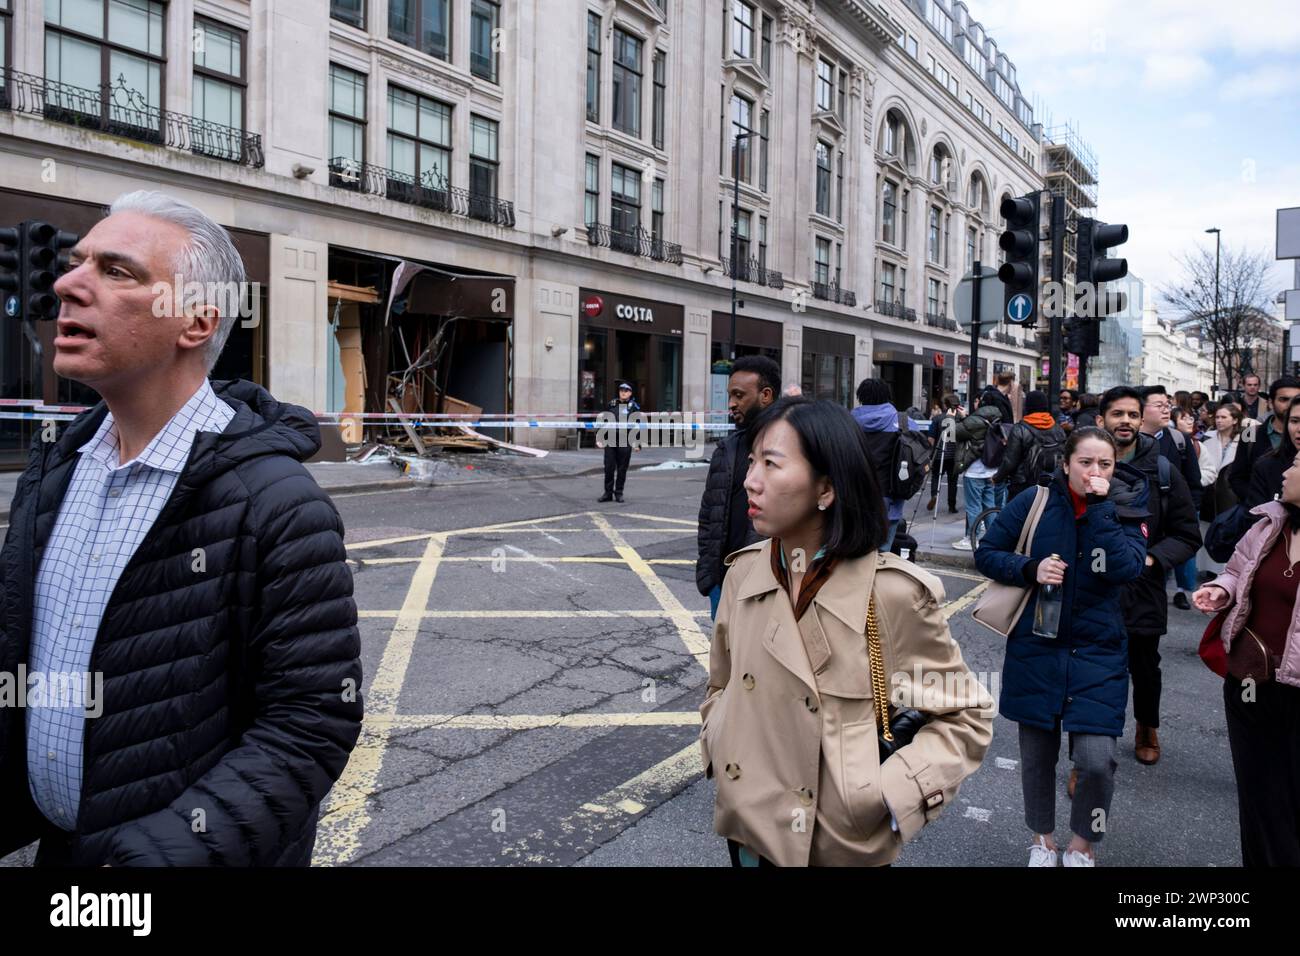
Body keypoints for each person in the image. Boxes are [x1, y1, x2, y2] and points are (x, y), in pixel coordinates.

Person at [0, 191, 363, 866]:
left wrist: (165, 855)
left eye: (116, 271)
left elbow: (310, 725)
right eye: (76, 263)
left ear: (195, 322)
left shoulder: (279, 504)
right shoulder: (53, 473)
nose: (66, 285)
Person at [701, 397, 994, 866]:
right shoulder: (744, 573)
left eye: (771, 464)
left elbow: (966, 717)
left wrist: (883, 796)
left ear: (826, 489)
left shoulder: (891, 594)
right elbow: (722, 681)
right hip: (745, 830)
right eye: (752, 461)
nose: (749, 481)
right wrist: (720, 737)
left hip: (837, 843)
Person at [976, 428, 1149, 866]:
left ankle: (1083, 845)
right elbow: (988, 552)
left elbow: (1124, 568)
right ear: (1067, 463)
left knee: (1097, 760)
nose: (1095, 472)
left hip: (1098, 651)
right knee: (1036, 757)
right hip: (1036, 645)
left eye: (1104, 464)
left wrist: (1101, 508)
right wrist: (1030, 568)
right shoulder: (1033, 500)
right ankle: (1042, 840)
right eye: (1086, 463)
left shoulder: (1123, 507)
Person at [1192, 449, 1300, 866]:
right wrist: (1222, 589)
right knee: (1259, 800)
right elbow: (1238, 569)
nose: (1287, 470)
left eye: (1296, 465)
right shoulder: (1269, 522)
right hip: (1251, 681)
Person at [1100, 386, 1201, 766]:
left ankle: (1146, 726)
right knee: (1095, 668)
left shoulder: (1162, 470)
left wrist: (1152, 559)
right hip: (1094, 587)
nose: (1124, 421)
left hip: (1143, 587)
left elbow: (1188, 534)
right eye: (1116, 414)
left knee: (1144, 666)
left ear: (1141, 421)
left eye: (1131, 415)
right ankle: (1093, 751)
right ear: (1101, 420)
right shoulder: (1086, 463)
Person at [697, 356, 781, 619]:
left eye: (739, 395)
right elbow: (708, 514)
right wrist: (710, 578)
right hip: (723, 584)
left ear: (766, 395)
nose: (731, 403)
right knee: (725, 658)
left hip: (770, 586)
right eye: (730, 395)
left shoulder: (791, 448)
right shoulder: (727, 449)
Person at [852, 378, 907, 553]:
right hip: (890, 499)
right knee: (883, 556)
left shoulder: (847, 420)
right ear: (887, 396)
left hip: (853, 498)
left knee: (855, 553)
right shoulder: (903, 421)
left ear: (861, 397)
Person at [1228, 375, 1300, 503]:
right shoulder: (1249, 432)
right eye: (1284, 399)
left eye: (1295, 400)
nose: (1290, 405)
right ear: (1271, 403)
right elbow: (1237, 477)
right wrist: (1258, 502)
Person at [951, 393, 1006, 551]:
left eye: (976, 400)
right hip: (991, 471)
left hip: (975, 471)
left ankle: (971, 538)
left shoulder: (975, 420)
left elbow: (953, 432)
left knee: (973, 507)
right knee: (989, 506)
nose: (975, 402)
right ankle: (994, 539)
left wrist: (955, 417)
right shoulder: (996, 417)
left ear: (983, 403)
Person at [993, 390, 1067, 502]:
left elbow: (1010, 461)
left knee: (1016, 516)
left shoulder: (1019, 429)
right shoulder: (1057, 428)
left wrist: (997, 477)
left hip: (1023, 484)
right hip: (1050, 482)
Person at [1197, 403, 1242, 577]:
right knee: (1207, 529)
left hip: (1230, 494)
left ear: (1235, 420)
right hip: (1208, 493)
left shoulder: (1244, 439)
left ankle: (1227, 570)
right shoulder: (1207, 437)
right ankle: (1209, 568)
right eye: (1217, 417)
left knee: (1229, 530)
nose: (1219, 421)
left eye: (1224, 417)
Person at [1141, 385, 1202, 511]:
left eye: (1167, 405)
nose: (1166, 410)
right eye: (1159, 406)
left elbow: (1194, 483)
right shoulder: (1127, 439)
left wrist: (1190, 514)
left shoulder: (1179, 439)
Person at [597, 382, 640, 502]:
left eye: (626, 390)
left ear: (630, 393)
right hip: (610, 439)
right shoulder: (611, 404)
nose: (623, 392)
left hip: (625, 440)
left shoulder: (634, 407)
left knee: (622, 468)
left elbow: (637, 426)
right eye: (621, 390)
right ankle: (607, 493)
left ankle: (619, 493)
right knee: (609, 467)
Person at [926, 393, 962, 514]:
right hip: (954, 456)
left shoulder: (937, 419)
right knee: (953, 481)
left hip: (939, 453)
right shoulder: (959, 419)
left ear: (945, 405)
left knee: (936, 477)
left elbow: (930, 439)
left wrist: (930, 452)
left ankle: (934, 495)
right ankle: (952, 505)